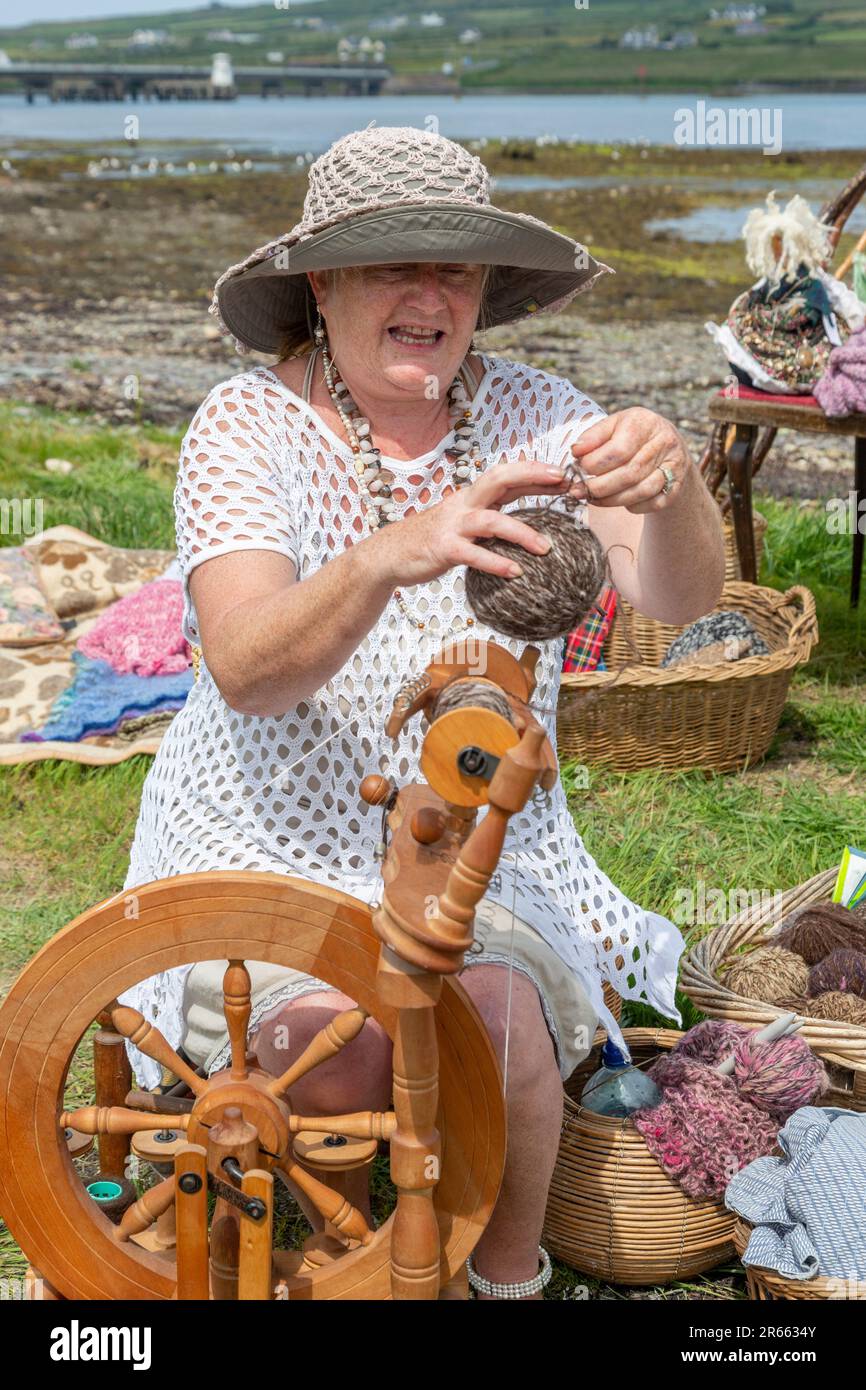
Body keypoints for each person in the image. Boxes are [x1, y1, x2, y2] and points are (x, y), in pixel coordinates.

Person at [119, 126, 725, 1299]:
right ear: (320, 283)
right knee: (330, 1066)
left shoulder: (544, 418)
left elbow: (678, 597)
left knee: (496, 1043)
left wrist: (675, 481)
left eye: (454, 266)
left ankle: (502, 1283)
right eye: (392, 261)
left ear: (485, 289)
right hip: (265, 841)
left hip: (477, 847)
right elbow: (247, 664)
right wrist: (392, 552)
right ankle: (361, 1272)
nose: (428, 292)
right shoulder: (246, 427)